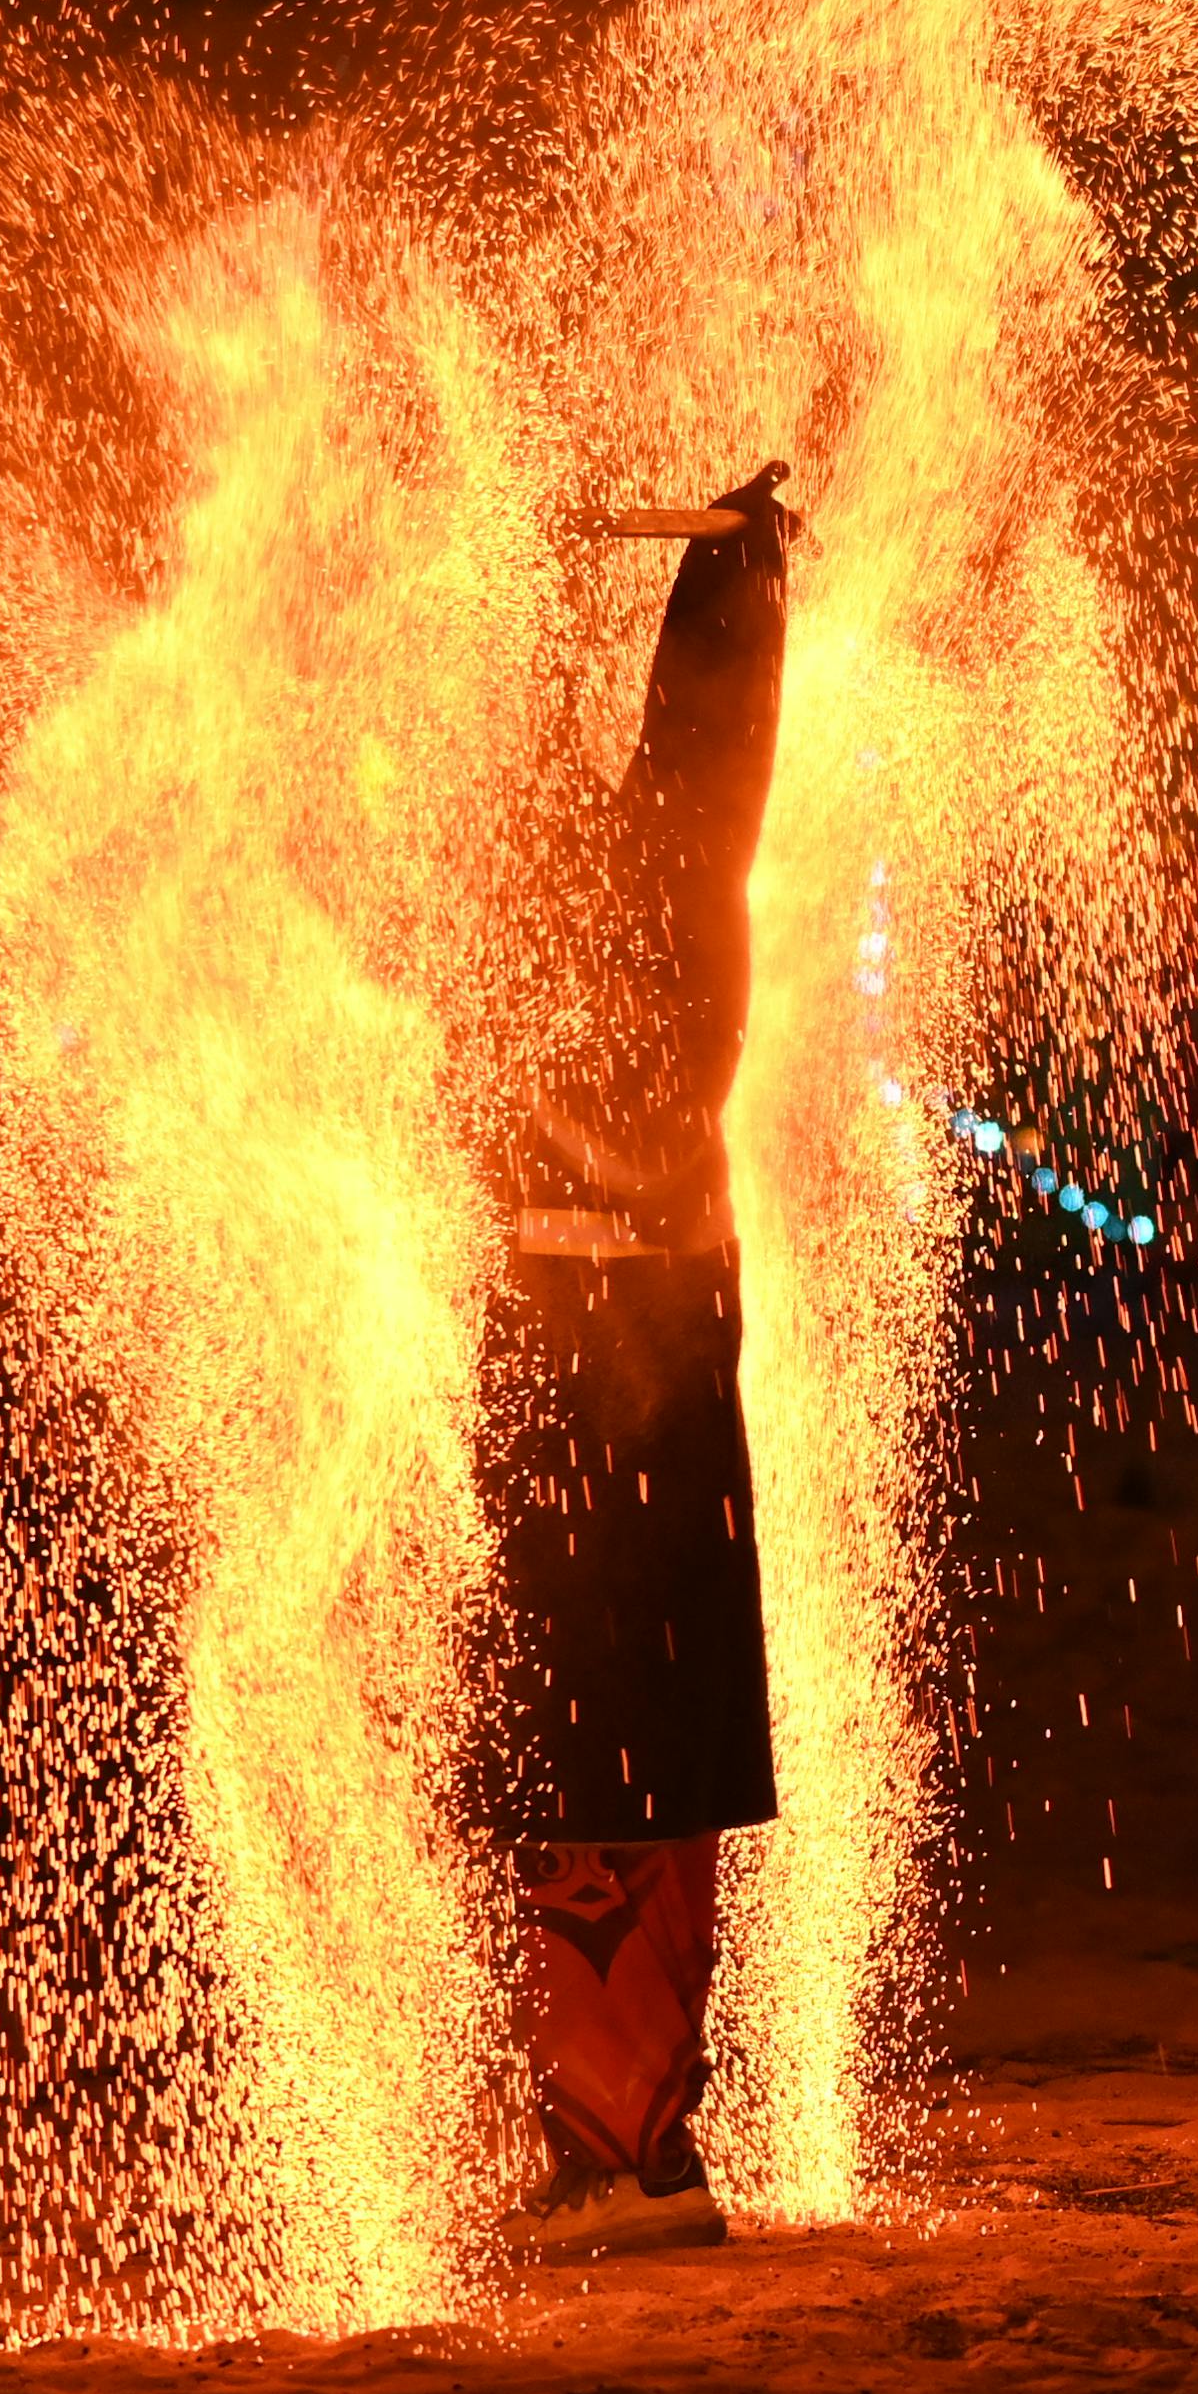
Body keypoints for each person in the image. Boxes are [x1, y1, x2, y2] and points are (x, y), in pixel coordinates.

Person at [483, 468, 797, 2239]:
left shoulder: (567, 921)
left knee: (594, 1741)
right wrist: (736, 582)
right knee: (638, 1737)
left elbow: (643, 752)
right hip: (665, 1316)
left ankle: (622, 2152)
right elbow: (707, 743)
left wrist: (556, 575)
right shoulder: (687, 891)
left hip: (588, 1329)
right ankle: (639, 2143)